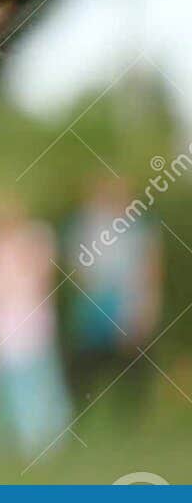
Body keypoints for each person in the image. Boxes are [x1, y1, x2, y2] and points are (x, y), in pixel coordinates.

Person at [0, 195, 73, 458]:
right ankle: (11, 441)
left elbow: (39, 274)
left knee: (35, 382)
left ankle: (44, 438)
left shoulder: (34, 240)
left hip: (28, 325)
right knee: (3, 388)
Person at [69, 175, 164, 410]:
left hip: (129, 300)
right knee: (88, 357)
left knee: (132, 357)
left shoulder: (140, 227)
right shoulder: (87, 224)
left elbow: (151, 268)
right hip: (95, 302)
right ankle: (83, 405)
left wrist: (146, 304)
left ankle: (131, 409)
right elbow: (77, 266)